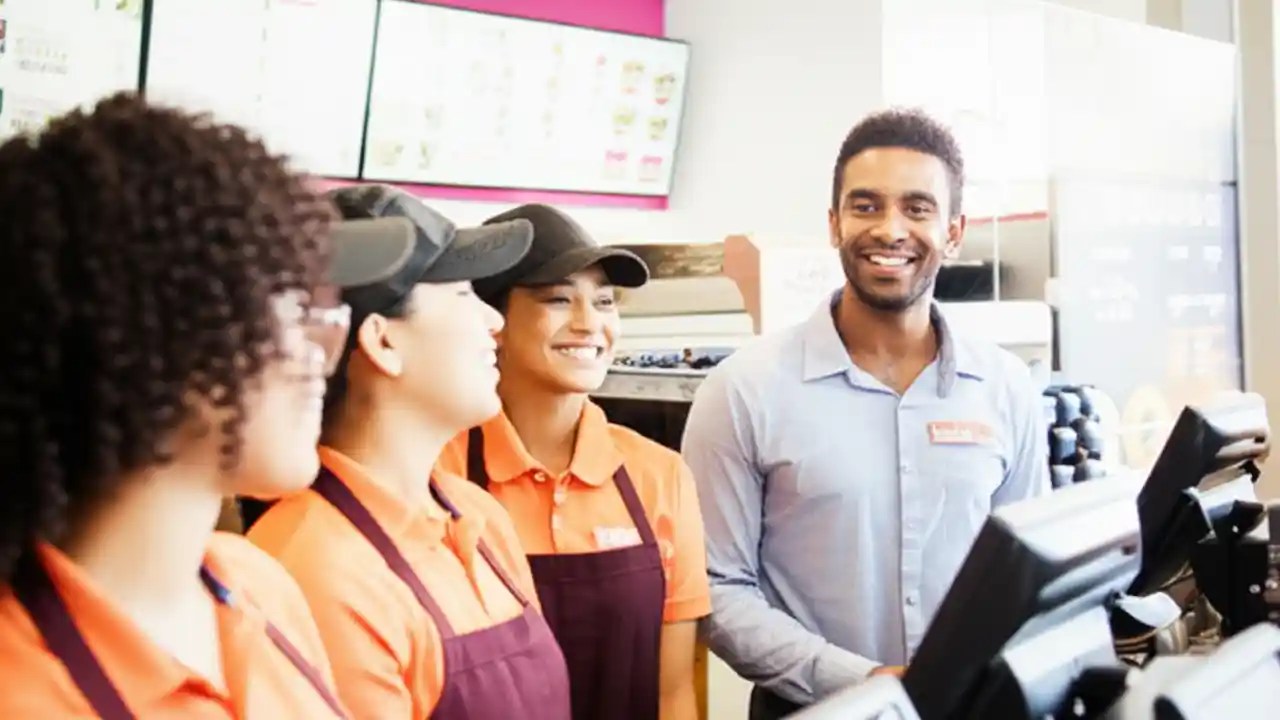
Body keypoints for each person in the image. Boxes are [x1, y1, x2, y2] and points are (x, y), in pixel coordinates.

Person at [0, 93, 386, 718]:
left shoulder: (257, 586)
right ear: (170, 338)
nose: (322, 350)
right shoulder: (21, 690)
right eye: (291, 308)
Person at [681, 108, 1051, 719]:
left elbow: (1025, 573)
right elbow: (716, 590)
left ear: (954, 231)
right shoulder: (743, 390)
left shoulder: (1006, 387)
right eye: (867, 206)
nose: (891, 229)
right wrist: (861, 681)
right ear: (835, 224)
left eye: (917, 207)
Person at [246, 184, 572, 720]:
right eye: (465, 294)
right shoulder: (315, 569)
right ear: (383, 342)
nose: (495, 321)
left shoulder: (480, 518)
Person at [436, 204, 713, 720]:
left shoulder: (660, 475)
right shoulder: (438, 472)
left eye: (605, 302)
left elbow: (673, 692)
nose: (589, 324)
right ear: (492, 321)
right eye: (559, 299)